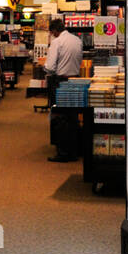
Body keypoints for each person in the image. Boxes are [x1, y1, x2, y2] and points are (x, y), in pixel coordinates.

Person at [44, 18, 83, 162]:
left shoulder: (57, 42)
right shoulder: (77, 40)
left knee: (59, 117)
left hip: (60, 81)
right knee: (72, 116)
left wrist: (45, 68)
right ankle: (74, 149)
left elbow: (50, 67)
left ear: (54, 31)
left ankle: (63, 152)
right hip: (75, 80)